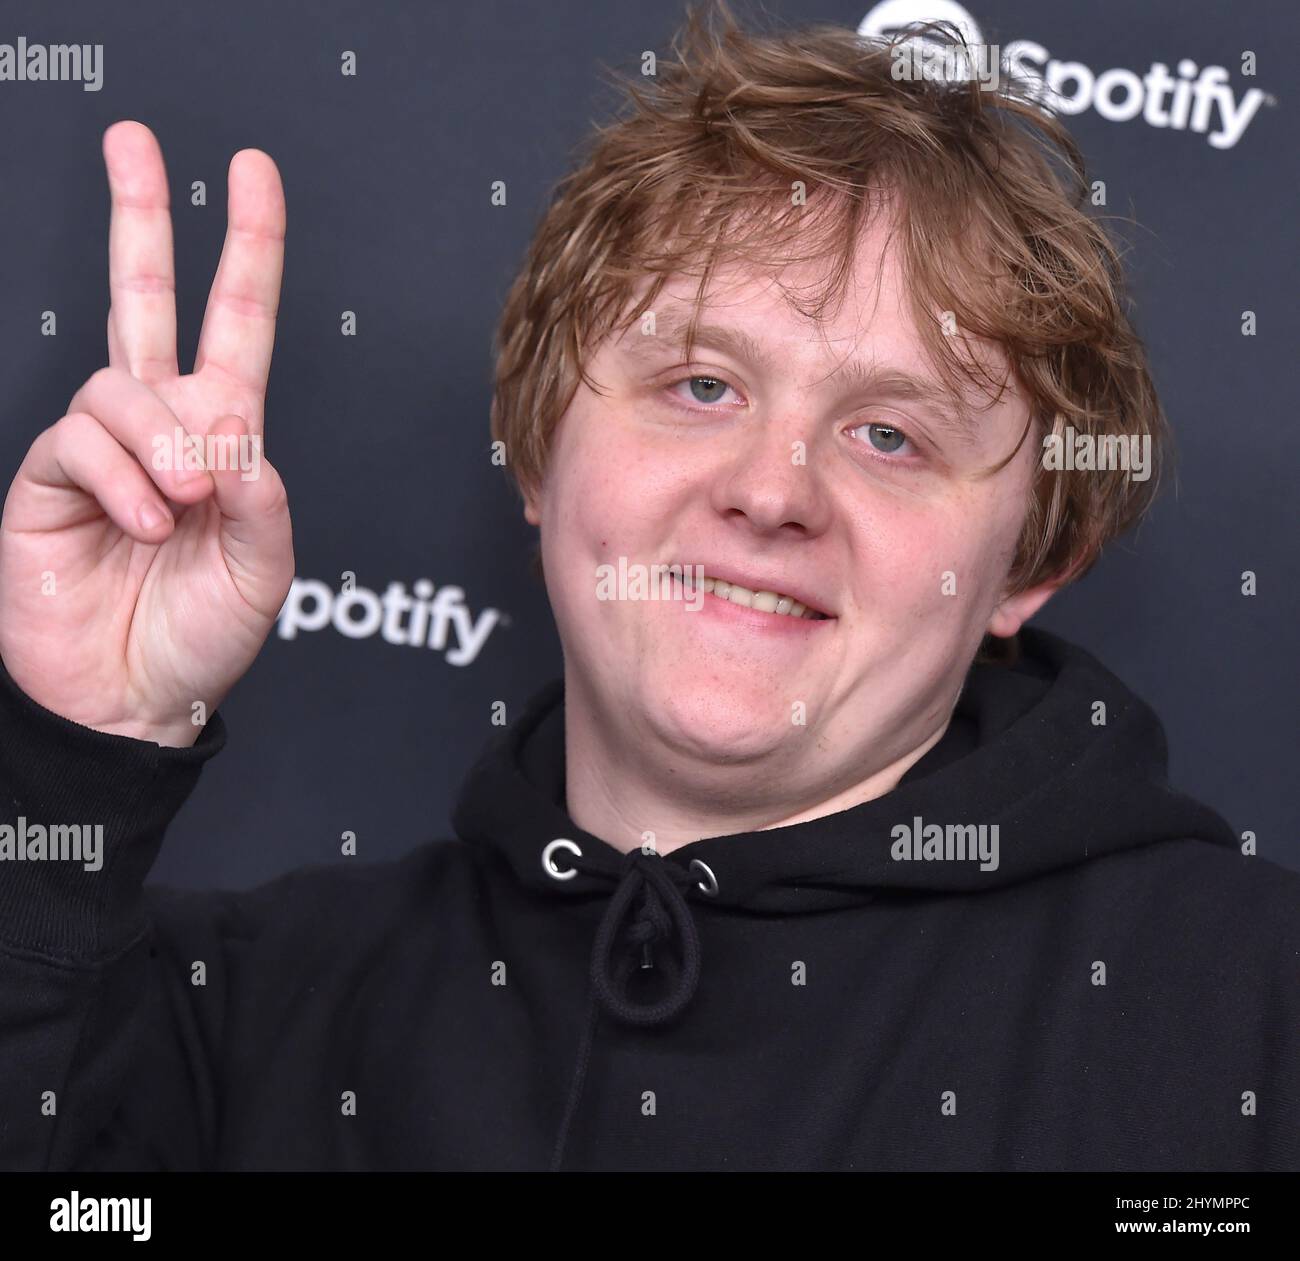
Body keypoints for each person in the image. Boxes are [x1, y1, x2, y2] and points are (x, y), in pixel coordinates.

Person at [0, 3, 1295, 1172]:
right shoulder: (242, 1019)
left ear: (1031, 565)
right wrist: (77, 755)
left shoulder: (1250, 1019)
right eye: (703, 385)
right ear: (539, 443)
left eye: (891, 434)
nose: (772, 488)